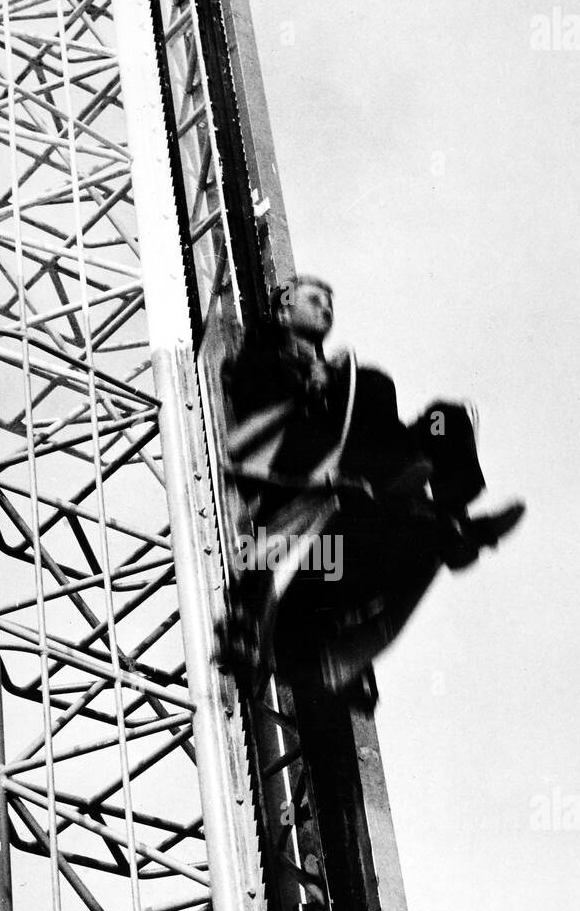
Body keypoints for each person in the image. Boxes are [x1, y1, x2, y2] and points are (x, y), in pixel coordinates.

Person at [218, 275, 525, 699]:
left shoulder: (338, 374)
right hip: (284, 468)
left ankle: (446, 511)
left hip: (338, 512)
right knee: (376, 386)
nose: (326, 309)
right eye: (315, 300)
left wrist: (330, 379)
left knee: (440, 426)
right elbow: (256, 398)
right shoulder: (267, 353)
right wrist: (312, 385)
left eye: (330, 304)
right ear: (284, 308)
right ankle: (431, 505)